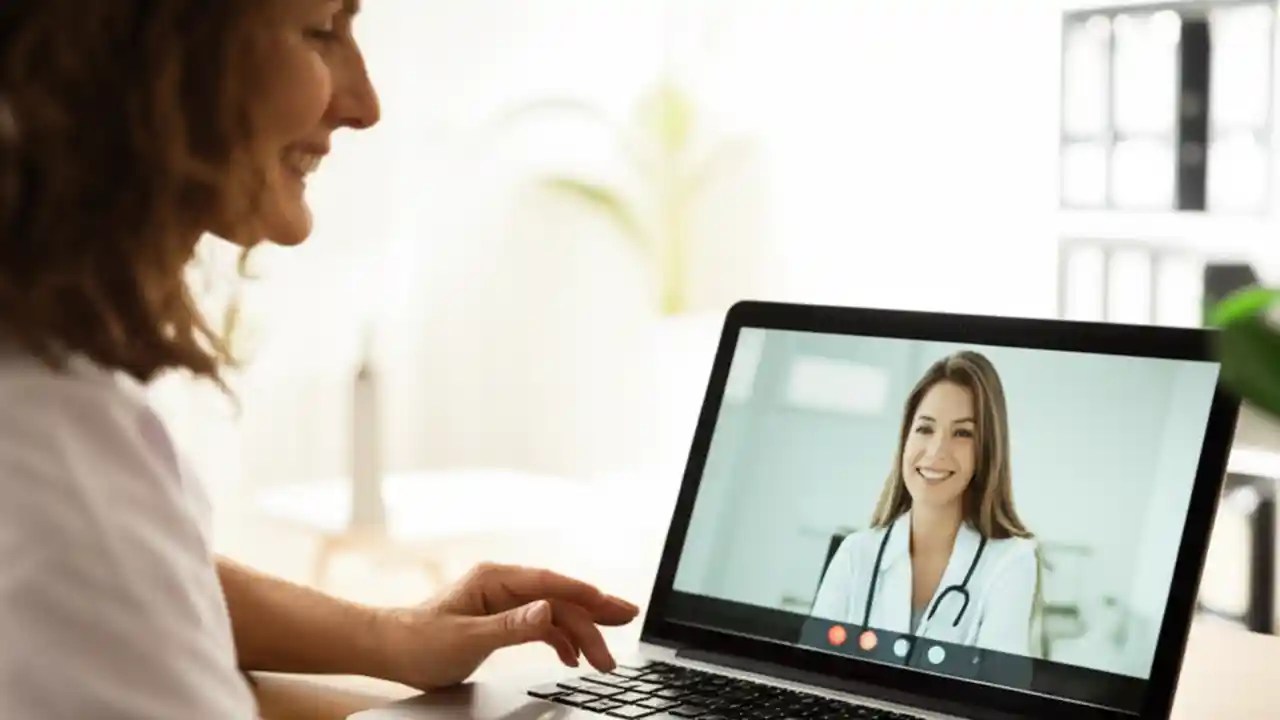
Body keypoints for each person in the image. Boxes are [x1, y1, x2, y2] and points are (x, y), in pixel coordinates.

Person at [0, 1, 637, 717]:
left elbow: (142, 594)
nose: (364, 105)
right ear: (149, 56)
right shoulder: (59, 462)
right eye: (321, 31)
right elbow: (93, 565)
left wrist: (392, 635)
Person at [811, 351, 1039, 658]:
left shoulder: (1010, 563)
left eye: (962, 433)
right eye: (925, 428)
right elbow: (809, 674)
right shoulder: (855, 554)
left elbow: (999, 695)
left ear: (986, 451)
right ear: (906, 438)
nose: (936, 450)